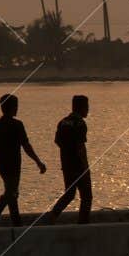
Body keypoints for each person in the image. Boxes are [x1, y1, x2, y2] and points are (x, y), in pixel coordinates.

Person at [0, 93, 45, 226]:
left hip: (1, 164)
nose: (17, 108)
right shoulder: (17, 125)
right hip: (12, 164)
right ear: (11, 107)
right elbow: (26, 146)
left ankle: (16, 222)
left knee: (12, 192)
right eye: (16, 106)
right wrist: (38, 162)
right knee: (11, 192)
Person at [51, 95, 94, 223]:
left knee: (69, 194)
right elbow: (80, 147)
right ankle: (83, 223)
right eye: (87, 107)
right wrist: (86, 167)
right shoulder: (80, 124)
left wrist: (67, 154)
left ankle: (53, 215)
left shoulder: (63, 122)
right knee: (87, 197)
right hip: (79, 166)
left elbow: (57, 141)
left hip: (67, 165)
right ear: (81, 108)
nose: (88, 110)